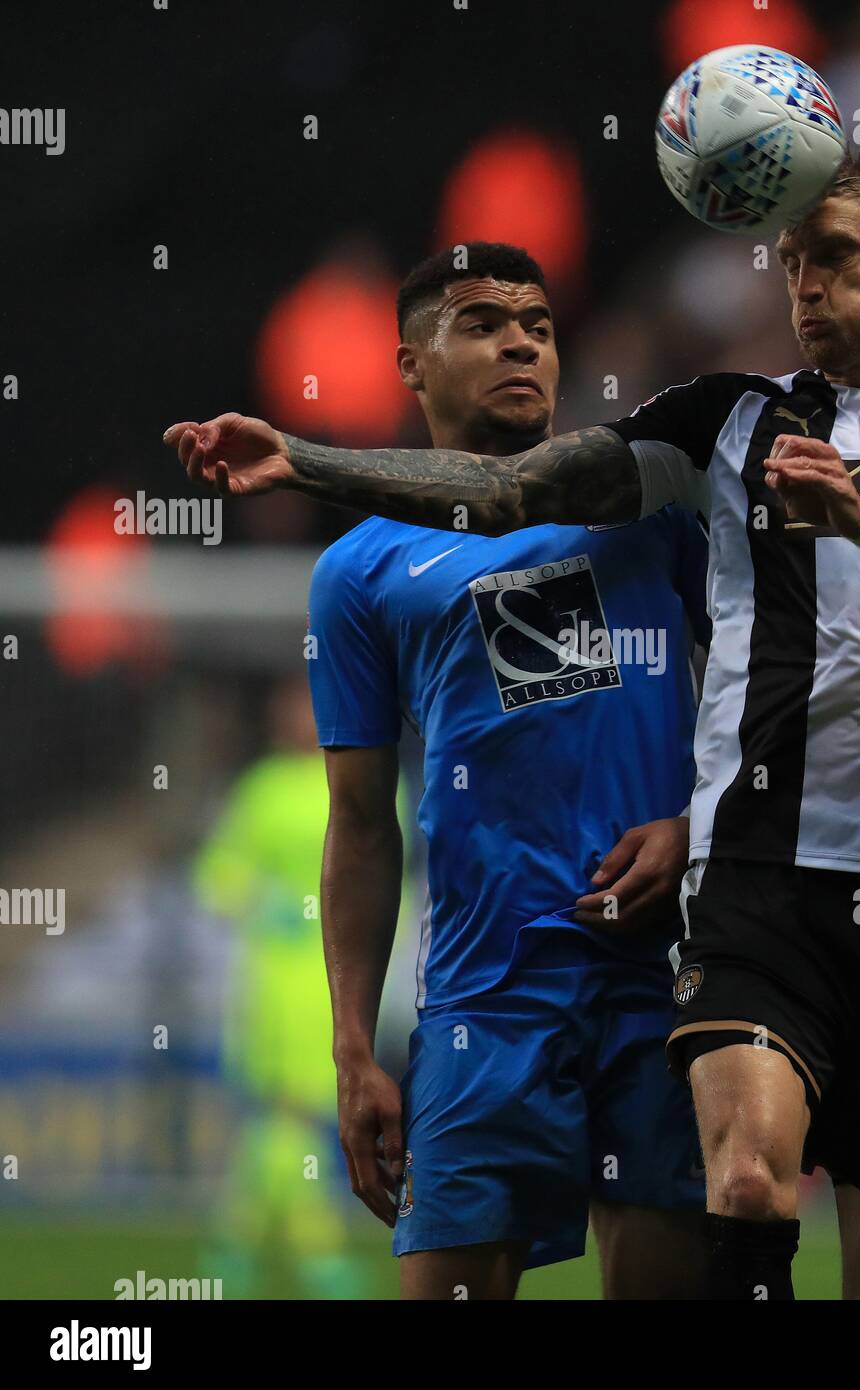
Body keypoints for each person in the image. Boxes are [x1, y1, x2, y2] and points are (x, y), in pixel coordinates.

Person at [166, 153, 860, 1300]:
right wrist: (303, 459)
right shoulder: (703, 437)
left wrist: (696, 815)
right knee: (737, 1184)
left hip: (811, 919)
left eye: (538, 326)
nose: (801, 283)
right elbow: (500, 514)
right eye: (789, 260)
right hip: (604, 948)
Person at [196, 242, 711, 1299]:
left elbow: (774, 681)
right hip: (490, 992)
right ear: (411, 364)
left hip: (661, 971)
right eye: (481, 322)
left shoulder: (648, 505)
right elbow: (360, 821)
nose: (522, 339)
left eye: (538, 322)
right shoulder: (360, 572)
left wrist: (702, 821)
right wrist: (352, 1050)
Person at [194, 677, 366, 1298]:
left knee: (282, 1125)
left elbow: (386, 865)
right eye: (292, 707)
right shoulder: (260, 789)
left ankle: (233, 1247)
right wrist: (263, 902)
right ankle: (317, 1255)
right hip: (271, 982)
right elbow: (216, 875)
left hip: (339, 978)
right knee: (287, 1117)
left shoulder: (362, 778)